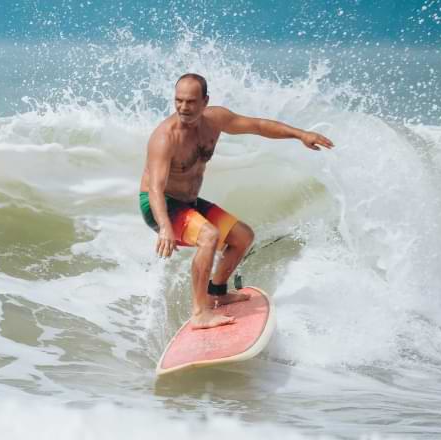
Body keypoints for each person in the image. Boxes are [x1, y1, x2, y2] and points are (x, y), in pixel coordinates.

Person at [140, 73, 334, 329]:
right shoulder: (165, 138)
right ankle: (200, 312)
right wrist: (165, 226)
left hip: (188, 201)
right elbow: (155, 188)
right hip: (161, 205)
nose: (183, 108)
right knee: (209, 237)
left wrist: (300, 134)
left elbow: (258, 126)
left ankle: (217, 291)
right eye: (178, 101)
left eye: (190, 101)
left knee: (242, 236)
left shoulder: (215, 120)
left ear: (205, 101)